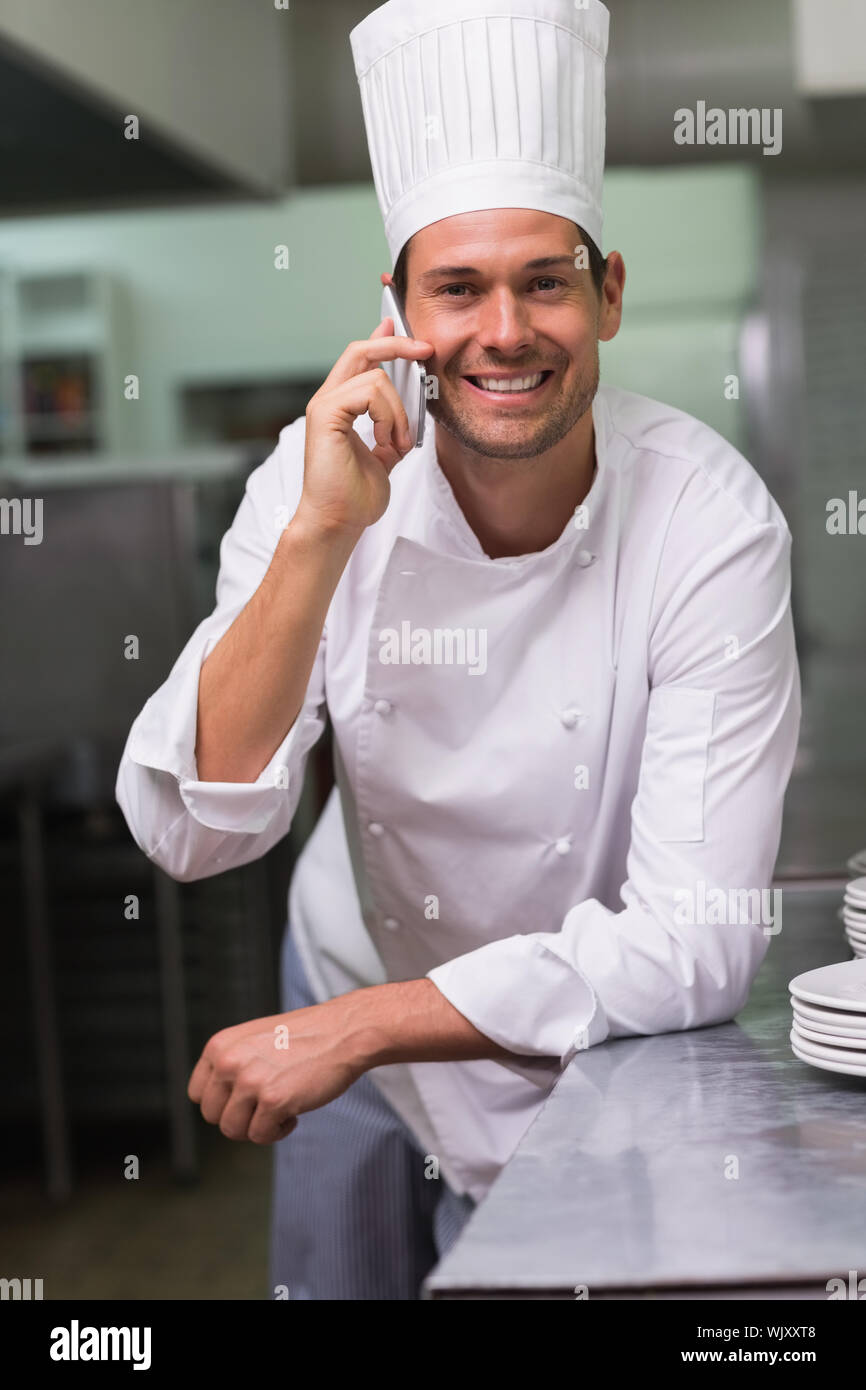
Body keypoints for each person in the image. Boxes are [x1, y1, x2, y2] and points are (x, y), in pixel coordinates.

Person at [115, 0, 801, 1300]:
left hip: (595, 1018)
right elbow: (190, 830)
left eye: (543, 280)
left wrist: (360, 1028)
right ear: (396, 309)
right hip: (359, 964)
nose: (502, 330)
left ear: (605, 293)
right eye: (458, 287)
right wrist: (322, 534)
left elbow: (696, 942)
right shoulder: (314, 481)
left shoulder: (706, 521)